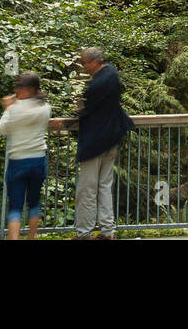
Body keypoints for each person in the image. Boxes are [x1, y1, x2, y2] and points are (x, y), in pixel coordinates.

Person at [73, 48, 135, 240]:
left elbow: (89, 111)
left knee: (87, 189)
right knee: (104, 186)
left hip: (96, 142)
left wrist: (73, 116)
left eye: (85, 63)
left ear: (95, 62)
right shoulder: (112, 74)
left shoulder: (97, 84)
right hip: (112, 137)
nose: (84, 67)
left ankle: (84, 233)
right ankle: (108, 231)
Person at [0, 72, 51, 240]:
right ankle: (31, 237)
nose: (17, 90)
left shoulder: (15, 109)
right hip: (38, 160)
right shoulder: (45, 107)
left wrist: (7, 109)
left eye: (21, 87)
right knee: (34, 203)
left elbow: (3, 129)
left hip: (18, 161)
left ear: (31, 89)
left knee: (15, 206)